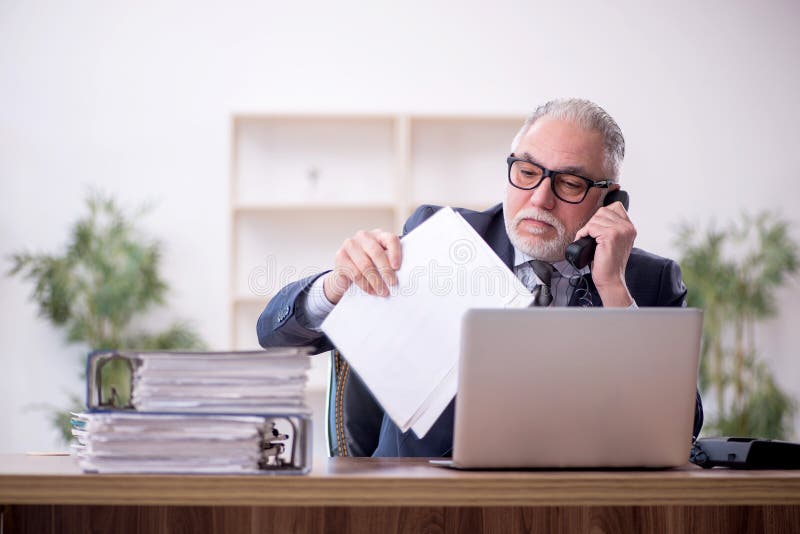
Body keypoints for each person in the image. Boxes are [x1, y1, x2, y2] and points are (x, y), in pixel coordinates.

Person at [257, 98, 703, 457]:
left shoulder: (647, 281)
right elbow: (277, 337)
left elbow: (680, 429)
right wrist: (335, 286)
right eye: (526, 172)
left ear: (611, 200)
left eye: (568, 184)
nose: (540, 199)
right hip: (424, 504)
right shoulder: (442, 240)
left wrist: (613, 291)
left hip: (580, 507)